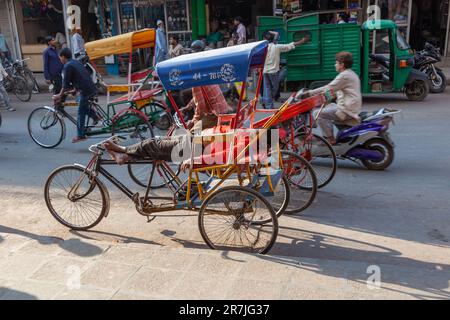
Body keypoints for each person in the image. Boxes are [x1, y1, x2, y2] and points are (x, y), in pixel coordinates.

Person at [299, 52, 362, 145]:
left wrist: (309, 93)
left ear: (342, 65)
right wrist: (323, 98)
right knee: (327, 106)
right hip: (348, 106)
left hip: (347, 110)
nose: (335, 65)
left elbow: (328, 88)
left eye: (336, 63)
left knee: (318, 114)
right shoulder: (350, 74)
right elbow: (335, 91)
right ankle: (325, 133)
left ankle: (330, 139)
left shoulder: (344, 76)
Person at [179, 40, 232, 131]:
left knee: (192, 133)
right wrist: (189, 106)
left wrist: (193, 121)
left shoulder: (196, 77)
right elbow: (199, 98)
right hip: (221, 109)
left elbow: (201, 105)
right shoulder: (206, 70)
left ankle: (199, 144)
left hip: (216, 114)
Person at [54, 48, 98, 143]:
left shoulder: (67, 66)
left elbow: (65, 85)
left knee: (80, 112)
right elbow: (79, 77)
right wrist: (74, 89)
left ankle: (80, 135)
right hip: (90, 88)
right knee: (80, 101)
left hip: (85, 90)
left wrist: (59, 95)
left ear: (63, 57)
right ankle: (95, 116)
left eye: (60, 58)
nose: (60, 60)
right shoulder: (75, 62)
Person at [262, 31, 310, 109]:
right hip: (273, 72)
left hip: (265, 71)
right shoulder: (277, 47)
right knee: (274, 89)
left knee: (267, 88)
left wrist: (269, 33)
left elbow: (276, 34)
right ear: (273, 39)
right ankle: (268, 103)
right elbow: (289, 45)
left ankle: (266, 102)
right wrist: (302, 41)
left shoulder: (264, 48)